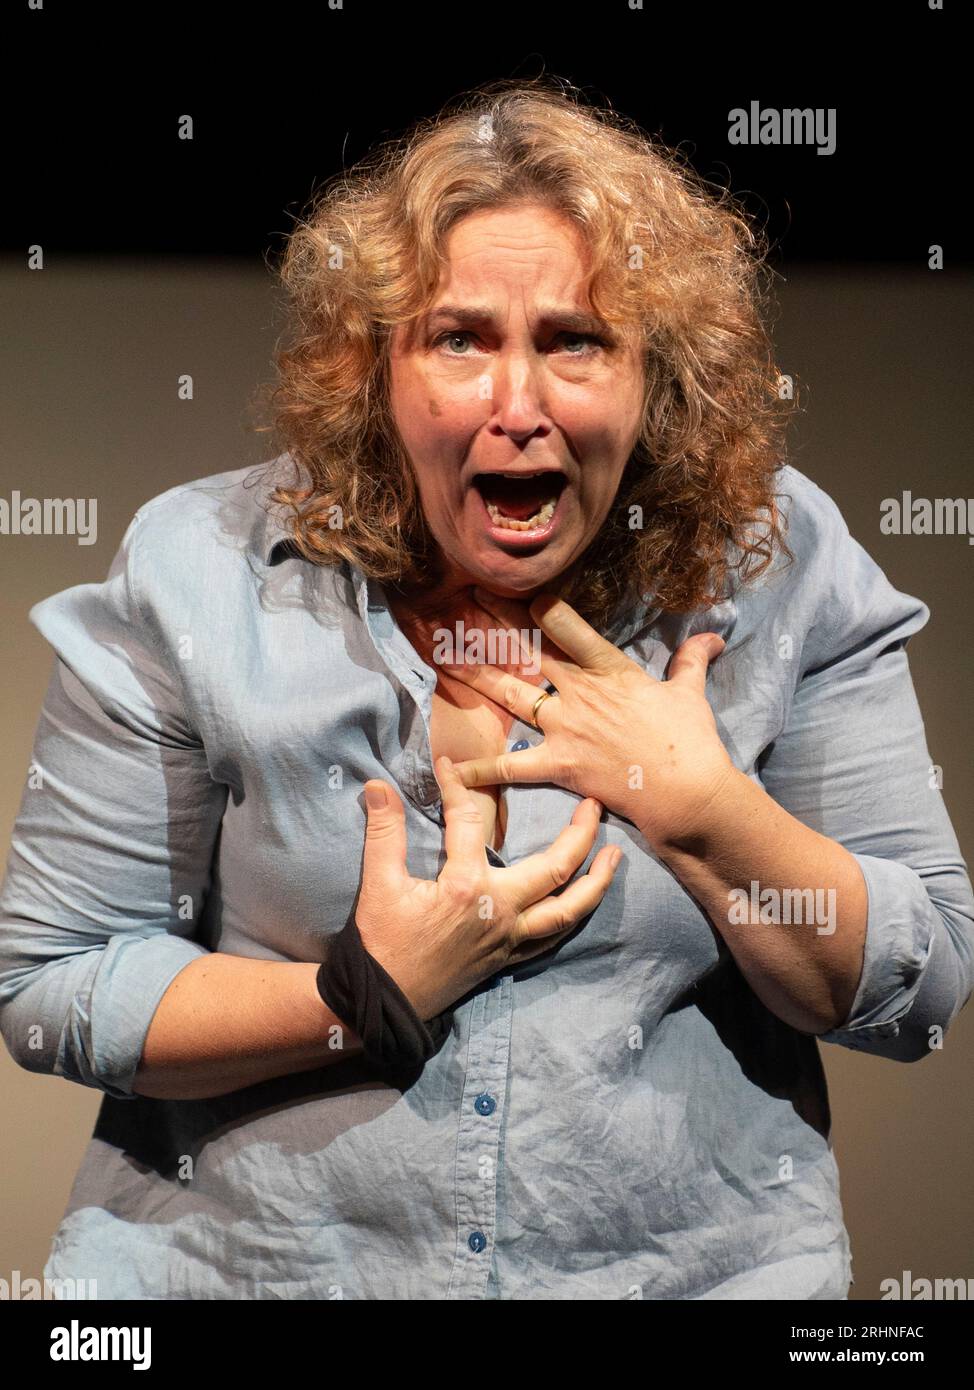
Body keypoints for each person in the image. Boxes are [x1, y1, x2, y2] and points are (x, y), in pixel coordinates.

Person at [1, 78, 972, 1302]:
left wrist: (710, 816)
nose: (517, 407)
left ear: (655, 377)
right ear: (376, 372)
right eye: (459, 338)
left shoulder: (780, 570)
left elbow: (919, 988)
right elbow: (47, 991)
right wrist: (358, 997)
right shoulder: (199, 570)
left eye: (574, 340)